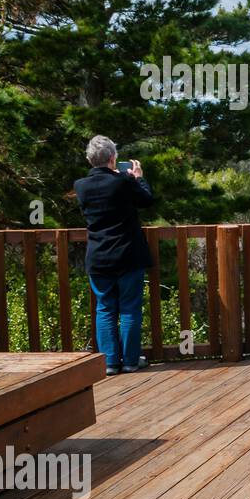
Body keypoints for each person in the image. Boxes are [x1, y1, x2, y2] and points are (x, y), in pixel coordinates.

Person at [74, 136, 153, 376]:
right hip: (128, 254)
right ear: (113, 159)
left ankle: (110, 363)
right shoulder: (123, 182)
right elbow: (147, 200)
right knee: (129, 308)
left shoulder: (80, 186)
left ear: (89, 160)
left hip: (98, 257)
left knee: (105, 309)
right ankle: (130, 361)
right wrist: (138, 178)